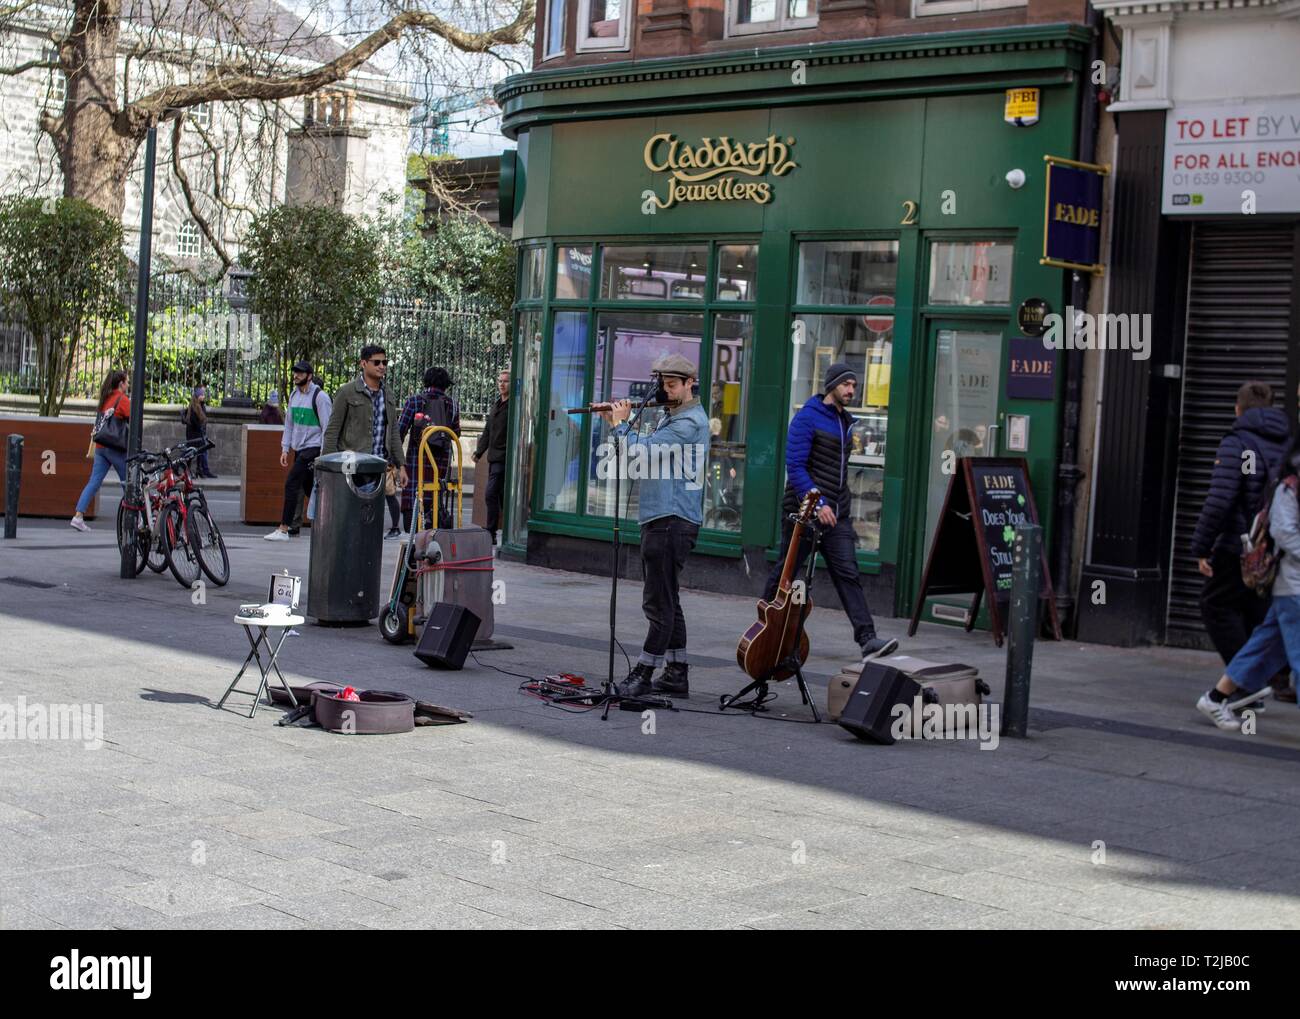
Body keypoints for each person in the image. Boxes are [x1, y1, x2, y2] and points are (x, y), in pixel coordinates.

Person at [766, 361, 897, 663]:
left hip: (836, 515)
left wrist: (834, 507)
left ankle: (867, 640)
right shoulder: (807, 418)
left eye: (854, 385)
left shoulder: (844, 420)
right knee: (785, 576)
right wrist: (819, 504)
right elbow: (795, 467)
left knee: (848, 574)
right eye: (846, 385)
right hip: (804, 513)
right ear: (831, 386)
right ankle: (766, 627)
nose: (852, 390)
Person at [598, 354, 710, 700]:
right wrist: (617, 422)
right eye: (662, 384)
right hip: (662, 519)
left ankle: (644, 673)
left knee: (657, 603)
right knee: (668, 599)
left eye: (672, 385)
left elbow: (641, 455)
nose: (665, 390)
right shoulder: (671, 417)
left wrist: (620, 425)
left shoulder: (688, 422)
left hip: (671, 521)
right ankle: (676, 673)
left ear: (691, 384)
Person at [1196, 430, 1300, 731]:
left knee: (1263, 645)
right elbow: (1282, 531)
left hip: (1286, 586)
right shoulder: (1288, 488)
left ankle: (1216, 698)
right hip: (1291, 585)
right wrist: (1203, 547)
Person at [1190, 381, 1290, 665]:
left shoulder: (1238, 443)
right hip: (1275, 545)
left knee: (1215, 605)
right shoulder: (1287, 445)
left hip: (1240, 545)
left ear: (1238, 409)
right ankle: (1273, 678)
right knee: (1255, 609)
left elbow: (1220, 500)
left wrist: (1201, 546)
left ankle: (1244, 679)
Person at [321, 344, 408, 520]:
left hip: (378, 466)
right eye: (376, 362)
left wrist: (401, 466)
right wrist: (329, 468)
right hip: (350, 464)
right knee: (348, 516)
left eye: (385, 362)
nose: (382, 366)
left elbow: (393, 434)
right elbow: (332, 431)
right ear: (363, 363)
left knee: (370, 518)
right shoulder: (347, 392)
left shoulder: (388, 395)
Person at [264, 361, 331, 542]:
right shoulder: (294, 395)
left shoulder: (320, 397)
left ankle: (284, 528)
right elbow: (289, 425)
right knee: (310, 488)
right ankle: (331, 520)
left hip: (314, 448)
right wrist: (285, 449)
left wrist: (323, 455)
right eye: (294, 372)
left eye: (300, 373)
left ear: (309, 376)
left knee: (291, 483)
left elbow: (327, 428)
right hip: (299, 449)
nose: (296, 375)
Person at [398, 367, 462, 533]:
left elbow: (399, 432)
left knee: (414, 515)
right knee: (435, 508)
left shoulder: (414, 402)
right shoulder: (453, 405)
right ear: (446, 385)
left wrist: (398, 463)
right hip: (439, 468)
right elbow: (456, 433)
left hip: (415, 466)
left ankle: (414, 550)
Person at [70, 371, 130, 532]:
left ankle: (78, 516)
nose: (128, 385)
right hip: (115, 447)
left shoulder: (105, 399)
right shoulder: (122, 400)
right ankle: (134, 519)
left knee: (94, 482)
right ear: (121, 384)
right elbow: (133, 418)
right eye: (127, 382)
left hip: (100, 447)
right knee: (128, 482)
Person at [474, 369, 510, 545]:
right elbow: (488, 431)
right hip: (493, 457)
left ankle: (491, 531)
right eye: (500, 381)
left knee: (490, 494)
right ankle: (500, 530)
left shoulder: (513, 406)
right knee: (500, 496)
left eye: (506, 381)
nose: (502, 384)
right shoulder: (496, 405)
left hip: (504, 457)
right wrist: (478, 452)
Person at [182, 386, 216, 478]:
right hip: (194, 434)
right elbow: (193, 420)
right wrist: (200, 426)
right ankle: (187, 470)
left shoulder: (200, 405)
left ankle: (198, 470)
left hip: (198, 433)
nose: (204, 396)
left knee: (199, 452)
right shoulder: (194, 406)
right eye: (202, 395)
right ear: (198, 396)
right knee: (191, 453)